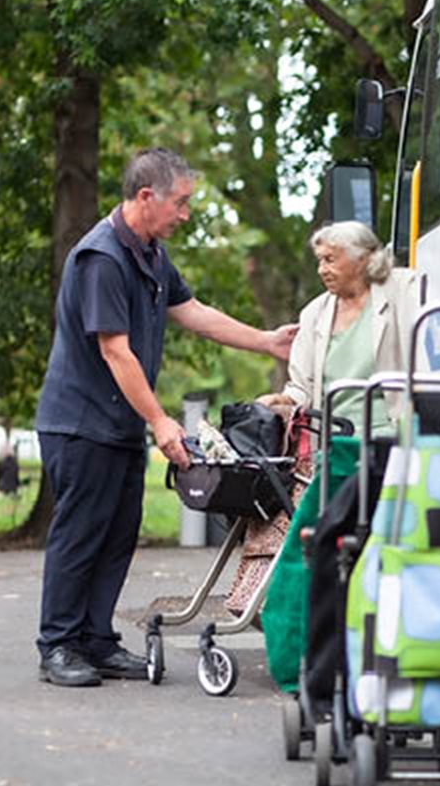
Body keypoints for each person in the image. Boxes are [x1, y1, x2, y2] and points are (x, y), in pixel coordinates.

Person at [33, 147, 298, 687]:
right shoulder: (102, 258)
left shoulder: (151, 255)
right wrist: (160, 420)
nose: (185, 213)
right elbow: (116, 351)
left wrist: (266, 342)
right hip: (79, 425)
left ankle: (96, 641)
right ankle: (58, 645)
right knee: (81, 535)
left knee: (117, 535)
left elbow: (194, 314)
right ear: (146, 197)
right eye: (180, 203)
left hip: (116, 425)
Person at [257, 220, 417, 436]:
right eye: (320, 261)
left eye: (330, 260)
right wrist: (280, 399)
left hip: (392, 437)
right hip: (335, 441)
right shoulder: (313, 313)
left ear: (362, 258)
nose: (321, 270)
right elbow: (302, 388)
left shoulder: (404, 290)